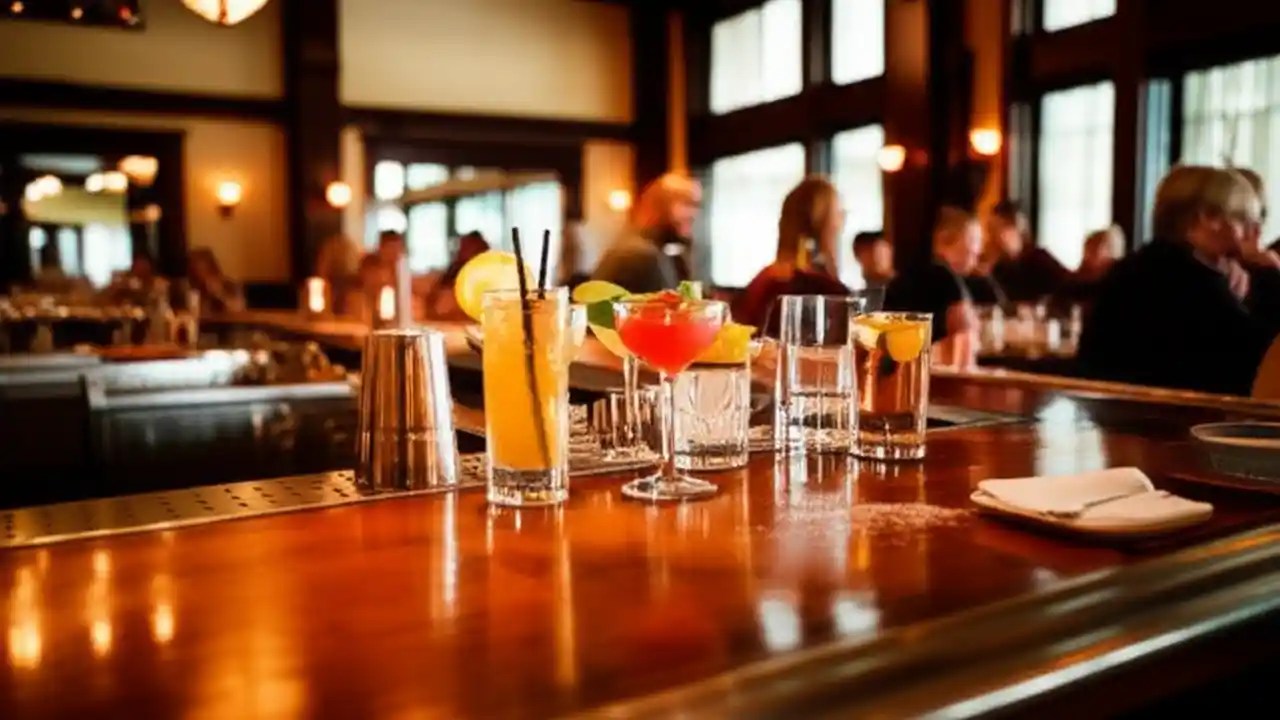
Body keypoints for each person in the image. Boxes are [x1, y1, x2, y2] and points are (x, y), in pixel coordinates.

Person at [1078, 165, 1280, 396]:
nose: (1253, 236)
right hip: (1171, 426)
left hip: (1113, 420)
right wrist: (1269, 275)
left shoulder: (1131, 269)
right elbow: (1266, 363)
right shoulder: (1193, 283)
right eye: (1244, 222)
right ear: (1209, 217)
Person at [733, 176, 852, 335]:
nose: (843, 219)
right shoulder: (829, 292)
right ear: (824, 222)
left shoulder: (763, 280)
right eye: (839, 212)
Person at [883, 206, 982, 347]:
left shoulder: (902, 279)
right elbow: (967, 332)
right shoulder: (944, 277)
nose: (975, 261)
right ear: (944, 240)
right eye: (971, 252)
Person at [591, 174, 700, 293]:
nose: (694, 214)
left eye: (696, 206)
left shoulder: (657, 250)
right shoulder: (641, 254)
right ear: (659, 205)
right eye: (686, 204)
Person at [987, 199, 1070, 303]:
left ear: (1018, 229)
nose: (992, 237)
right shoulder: (999, 267)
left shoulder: (1040, 260)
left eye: (998, 228)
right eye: (990, 230)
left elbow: (1068, 289)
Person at [421, 231, 490, 320]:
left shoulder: (485, 274)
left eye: (468, 246)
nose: (462, 250)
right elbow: (432, 304)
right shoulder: (452, 271)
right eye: (462, 246)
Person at [1055, 225, 1124, 310]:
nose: (1100, 251)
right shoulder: (1072, 284)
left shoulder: (1120, 289)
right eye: (1094, 245)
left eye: (1108, 247)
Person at [187, 247, 244, 313]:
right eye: (196, 269)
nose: (201, 273)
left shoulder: (230, 285)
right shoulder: (194, 290)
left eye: (203, 269)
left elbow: (238, 309)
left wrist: (219, 293)